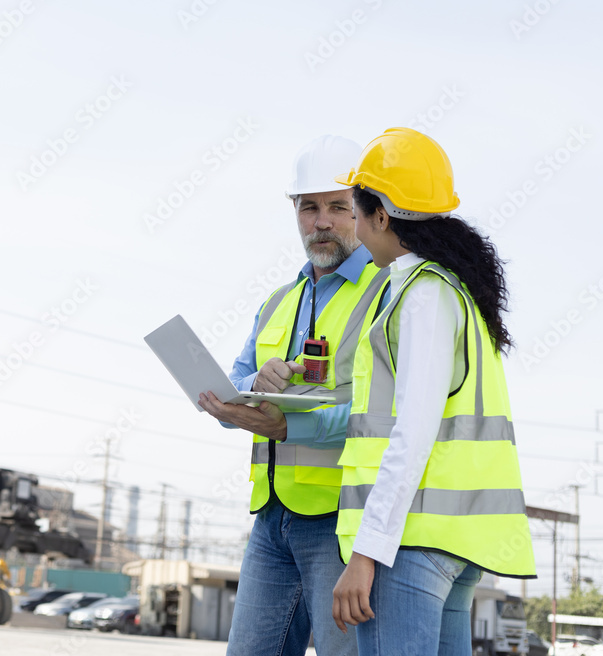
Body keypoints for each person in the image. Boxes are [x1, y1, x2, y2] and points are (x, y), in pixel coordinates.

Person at [329, 127, 536, 656]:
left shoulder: (422, 295)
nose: (351, 223)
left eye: (354, 210)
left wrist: (366, 552)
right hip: (448, 542)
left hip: (411, 544)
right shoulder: (450, 292)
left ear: (381, 216)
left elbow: (412, 431)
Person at [199, 135, 389, 656]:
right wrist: (244, 393)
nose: (321, 222)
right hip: (271, 516)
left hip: (340, 521)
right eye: (309, 208)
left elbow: (389, 415)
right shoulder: (278, 302)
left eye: (336, 207)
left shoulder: (387, 294)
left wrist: (292, 423)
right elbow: (234, 384)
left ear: (367, 212)